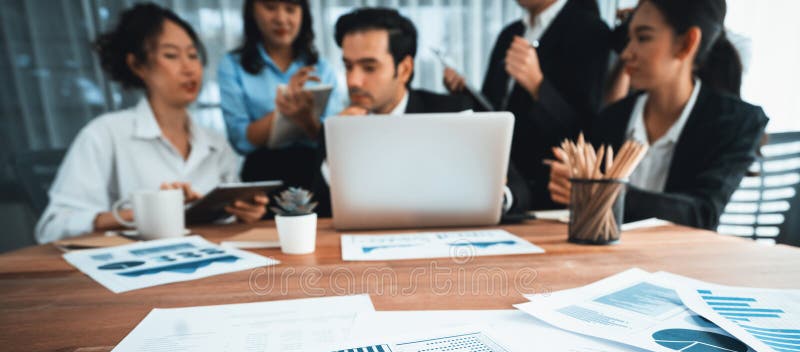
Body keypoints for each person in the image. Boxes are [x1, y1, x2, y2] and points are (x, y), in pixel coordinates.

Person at [36, 3, 267, 244]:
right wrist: (142, 214)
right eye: (171, 55)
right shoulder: (104, 134)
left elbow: (225, 223)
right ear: (137, 65)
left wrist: (244, 213)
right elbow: (53, 227)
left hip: (206, 266)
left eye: (193, 55)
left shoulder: (216, 144)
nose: (189, 68)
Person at [547, 0, 768, 230]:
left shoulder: (736, 122)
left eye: (643, 38)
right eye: (628, 39)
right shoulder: (612, 119)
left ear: (686, 44)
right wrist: (571, 186)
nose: (626, 53)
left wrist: (607, 192)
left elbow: (702, 214)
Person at [313, 7, 530, 217]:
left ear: (405, 69)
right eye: (348, 66)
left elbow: (518, 190)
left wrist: (491, 198)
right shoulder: (337, 130)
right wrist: (336, 158)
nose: (353, 81)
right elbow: (316, 209)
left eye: (369, 67)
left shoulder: (453, 114)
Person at [443, 0, 611, 210]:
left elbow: (589, 128)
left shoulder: (590, 30)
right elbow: (493, 109)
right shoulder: (511, 33)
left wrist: (537, 85)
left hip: (550, 192)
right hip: (503, 183)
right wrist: (465, 91)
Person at [218, 0, 344, 189]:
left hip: (315, 172)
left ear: (303, 14)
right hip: (262, 174)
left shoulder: (321, 68)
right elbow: (240, 139)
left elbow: (332, 139)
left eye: (291, 9)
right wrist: (283, 110)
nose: (281, 18)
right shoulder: (233, 65)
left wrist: (305, 119)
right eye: (270, 7)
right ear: (252, 11)